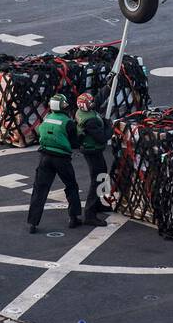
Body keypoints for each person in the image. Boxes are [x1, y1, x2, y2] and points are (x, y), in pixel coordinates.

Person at [27, 93, 83, 233]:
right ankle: (73, 217)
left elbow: (40, 133)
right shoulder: (67, 122)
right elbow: (75, 143)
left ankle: (33, 223)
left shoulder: (46, 119)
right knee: (71, 186)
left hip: (44, 157)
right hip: (62, 158)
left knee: (39, 190)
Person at [75, 92, 112, 227]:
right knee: (96, 180)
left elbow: (97, 99)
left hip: (90, 149)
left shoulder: (81, 112)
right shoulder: (91, 121)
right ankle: (90, 214)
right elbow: (103, 137)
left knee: (102, 174)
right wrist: (109, 126)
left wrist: (107, 87)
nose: (93, 103)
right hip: (92, 150)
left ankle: (98, 204)